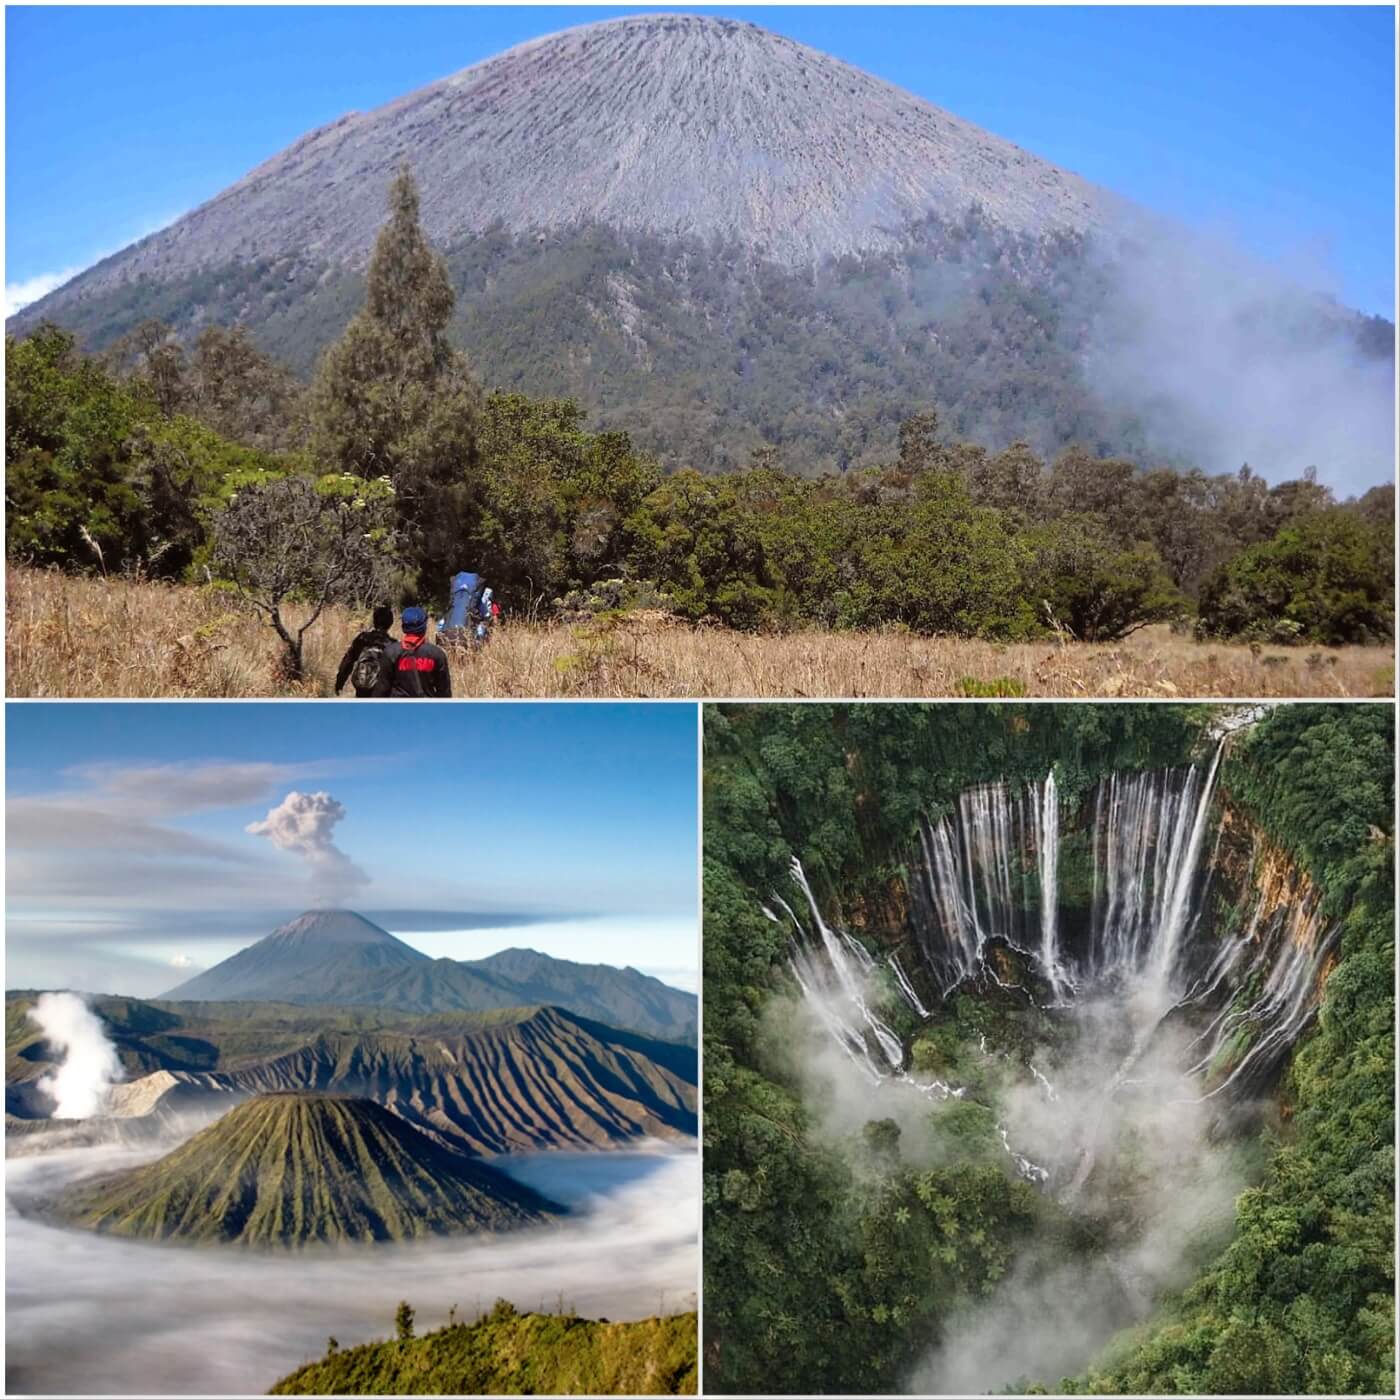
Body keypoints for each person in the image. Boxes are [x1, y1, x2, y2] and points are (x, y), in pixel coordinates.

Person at [374, 605, 451, 697]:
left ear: (403, 627)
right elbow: (444, 692)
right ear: (424, 627)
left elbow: (382, 688)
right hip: (426, 709)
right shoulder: (437, 654)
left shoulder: (390, 652)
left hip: (397, 709)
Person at [334, 605, 395, 697]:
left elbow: (347, 662)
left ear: (374, 621)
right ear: (390, 623)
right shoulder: (393, 645)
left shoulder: (362, 639)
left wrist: (339, 682)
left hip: (362, 686)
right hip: (383, 691)